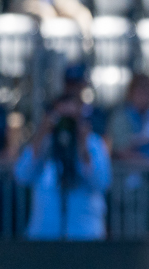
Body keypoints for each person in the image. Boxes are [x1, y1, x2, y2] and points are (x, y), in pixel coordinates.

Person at [14, 93, 111, 239]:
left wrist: (83, 147)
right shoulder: (45, 142)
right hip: (45, 234)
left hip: (85, 235)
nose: (66, 124)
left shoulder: (93, 144)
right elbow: (22, 175)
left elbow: (102, 182)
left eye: (71, 119)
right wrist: (41, 134)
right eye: (61, 118)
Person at [107, 72, 149, 160]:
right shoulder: (121, 118)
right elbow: (122, 151)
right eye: (141, 92)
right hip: (131, 172)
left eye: (148, 93)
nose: (144, 97)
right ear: (131, 93)